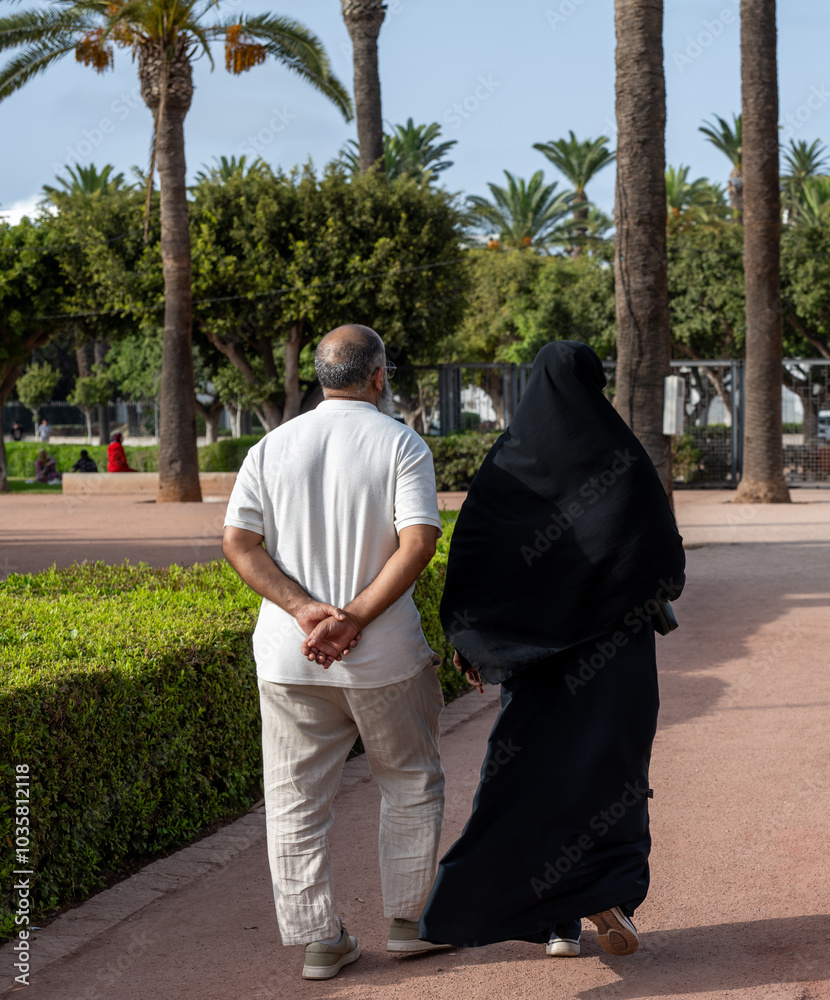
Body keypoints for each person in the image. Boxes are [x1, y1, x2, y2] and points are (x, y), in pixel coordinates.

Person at [418, 340, 686, 960]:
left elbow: (476, 559)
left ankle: (553, 924)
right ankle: (603, 889)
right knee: (610, 772)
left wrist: (471, 644)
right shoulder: (623, 458)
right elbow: (661, 559)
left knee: (532, 773)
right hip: (616, 660)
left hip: (534, 662)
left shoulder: (507, 467)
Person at [222, 324, 449, 982]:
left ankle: (321, 942)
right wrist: (351, 619)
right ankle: (408, 923)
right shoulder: (401, 443)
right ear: (378, 376)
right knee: (408, 782)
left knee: (295, 799)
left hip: (290, 657)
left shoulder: (271, 447)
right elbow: (419, 543)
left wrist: (303, 612)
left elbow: (239, 542)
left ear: (321, 376)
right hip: (385, 658)